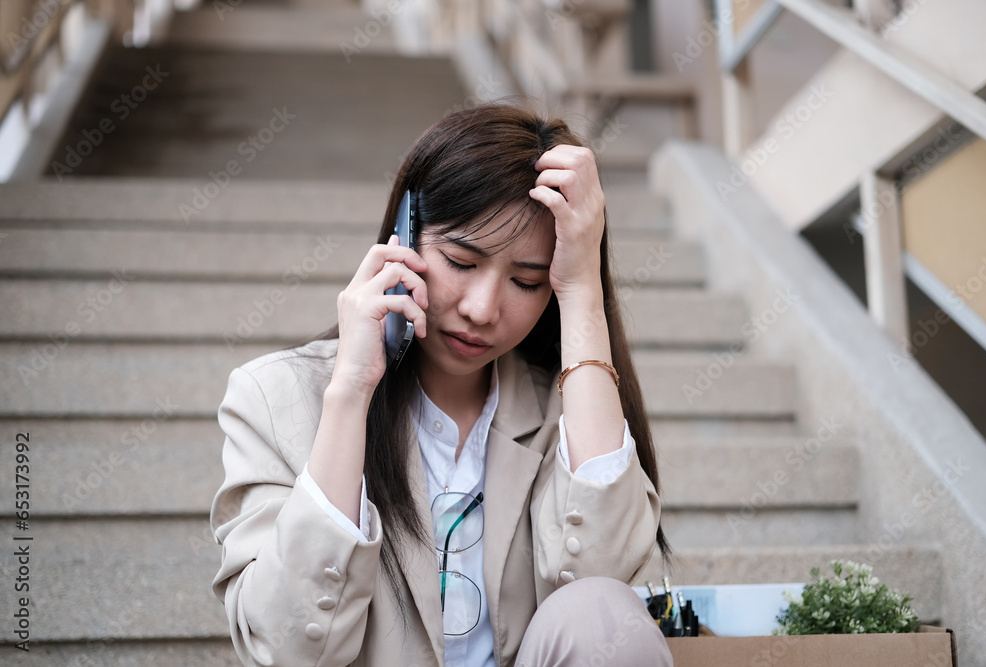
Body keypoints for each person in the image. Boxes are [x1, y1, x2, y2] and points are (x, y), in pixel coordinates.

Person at [210, 102, 674, 667]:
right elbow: (287, 648)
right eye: (460, 261)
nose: (481, 309)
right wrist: (351, 392)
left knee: (599, 609)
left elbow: (602, 610)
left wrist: (581, 293)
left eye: (526, 281)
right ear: (404, 236)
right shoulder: (275, 398)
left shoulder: (567, 413)